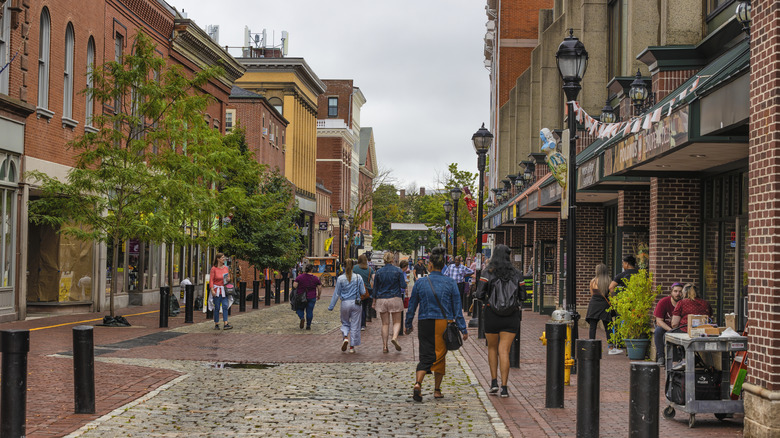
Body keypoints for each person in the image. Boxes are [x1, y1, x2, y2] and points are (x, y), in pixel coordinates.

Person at [405, 246, 468, 402]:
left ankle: (418, 383)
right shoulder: (451, 283)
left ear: (430, 265)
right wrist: (463, 328)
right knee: (440, 355)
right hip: (442, 322)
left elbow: (412, 305)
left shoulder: (420, 283)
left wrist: (408, 324)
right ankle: (437, 390)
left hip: (424, 321)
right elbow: (457, 308)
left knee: (425, 353)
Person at [475, 244, 522, 398]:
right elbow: (523, 296)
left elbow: (480, 293)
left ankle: (494, 382)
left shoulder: (487, 273)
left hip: (492, 314)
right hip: (511, 316)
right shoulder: (517, 274)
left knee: (492, 349)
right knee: (504, 351)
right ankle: (504, 387)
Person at [328, 258, 365, 353]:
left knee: (345, 322)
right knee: (355, 325)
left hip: (345, 303)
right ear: (353, 266)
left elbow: (337, 293)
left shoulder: (340, 279)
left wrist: (331, 306)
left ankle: (345, 337)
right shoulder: (358, 277)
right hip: (356, 303)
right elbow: (363, 291)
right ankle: (352, 347)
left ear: (343, 266)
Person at [373, 252, 407, 353]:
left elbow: (375, 288)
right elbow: (403, 285)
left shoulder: (378, 272)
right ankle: (395, 337)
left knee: (385, 324)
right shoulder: (398, 271)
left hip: (382, 299)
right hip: (395, 298)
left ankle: (384, 346)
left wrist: (374, 301)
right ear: (392, 260)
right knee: (397, 321)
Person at [653, 282, 684, 365]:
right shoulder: (663, 302)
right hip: (666, 327)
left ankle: (680, 357)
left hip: (680, 328)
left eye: (680, 291)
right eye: (675, 291)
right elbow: (659, 321)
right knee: (658, 331)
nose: (678, 294)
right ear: (671, 292)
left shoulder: (685, 303)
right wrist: (670, 330)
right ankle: (661, 356)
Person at [585, 264, 613, 344]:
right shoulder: (609, 280)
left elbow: (592, 294)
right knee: (608, 327)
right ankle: (611, 346)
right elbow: (611, 294)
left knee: (592, 327)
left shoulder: (593, 281)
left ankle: (591, 344)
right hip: (605, 305)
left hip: (594, 304)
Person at [293, 264, 322, 330]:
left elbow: (295, 285)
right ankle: (308, 325)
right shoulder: (315, 278)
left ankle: (302, 317)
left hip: (301, 296)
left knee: (299, 309)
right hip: (312, 296)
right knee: (309, 311)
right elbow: (319, 288)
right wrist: (319, 295)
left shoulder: (300, 277)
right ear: (312, 269)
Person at [210, 252, 232, 330]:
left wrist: (228, 279)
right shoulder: (214, 269)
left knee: (225, 306)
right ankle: (216, 323)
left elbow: (228, 277)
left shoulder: (226, 268)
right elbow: (211, 280)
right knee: (217, 307)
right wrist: (212, 290)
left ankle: (226, 323)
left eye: (224, 258)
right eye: (222, 258)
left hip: (224, 290)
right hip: (216, 290)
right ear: (218, 259)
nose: (224, 259)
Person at [352, 254, 375, 330]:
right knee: (364, 307)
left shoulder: (355, 268)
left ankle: (357, 323)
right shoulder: (370, 269)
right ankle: (363, 324)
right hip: (367, 291)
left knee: (356, 307)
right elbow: (374, 279)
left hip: (356, 290)